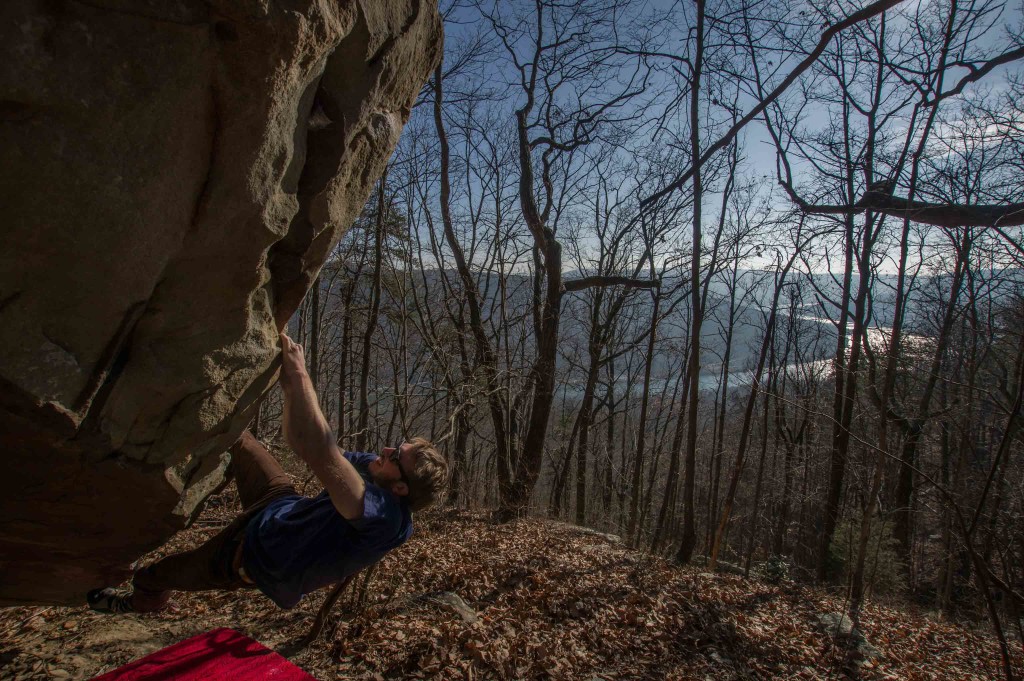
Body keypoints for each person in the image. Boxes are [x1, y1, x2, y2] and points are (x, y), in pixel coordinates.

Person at [87, 333, 448, 613]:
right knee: (237, 438)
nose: (385, 450)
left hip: (244, 559)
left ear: (399, 487)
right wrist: (291, 387)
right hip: (279, 506)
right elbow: (300, 441)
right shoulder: (377, 470)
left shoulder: (386, 521)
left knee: (157, 574)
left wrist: (301, 374)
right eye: (395, 446)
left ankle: (144, 600)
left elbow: (319, 451)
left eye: (394, 455)